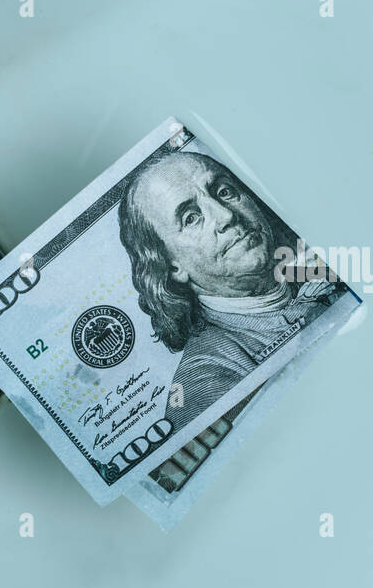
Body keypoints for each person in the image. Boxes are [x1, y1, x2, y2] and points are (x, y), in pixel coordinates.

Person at [118, 148, 341, 430]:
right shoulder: (206, 381)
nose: (225, 215)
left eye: (224, 192)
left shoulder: (320, 256)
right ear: (173, 267)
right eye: (191, 218)